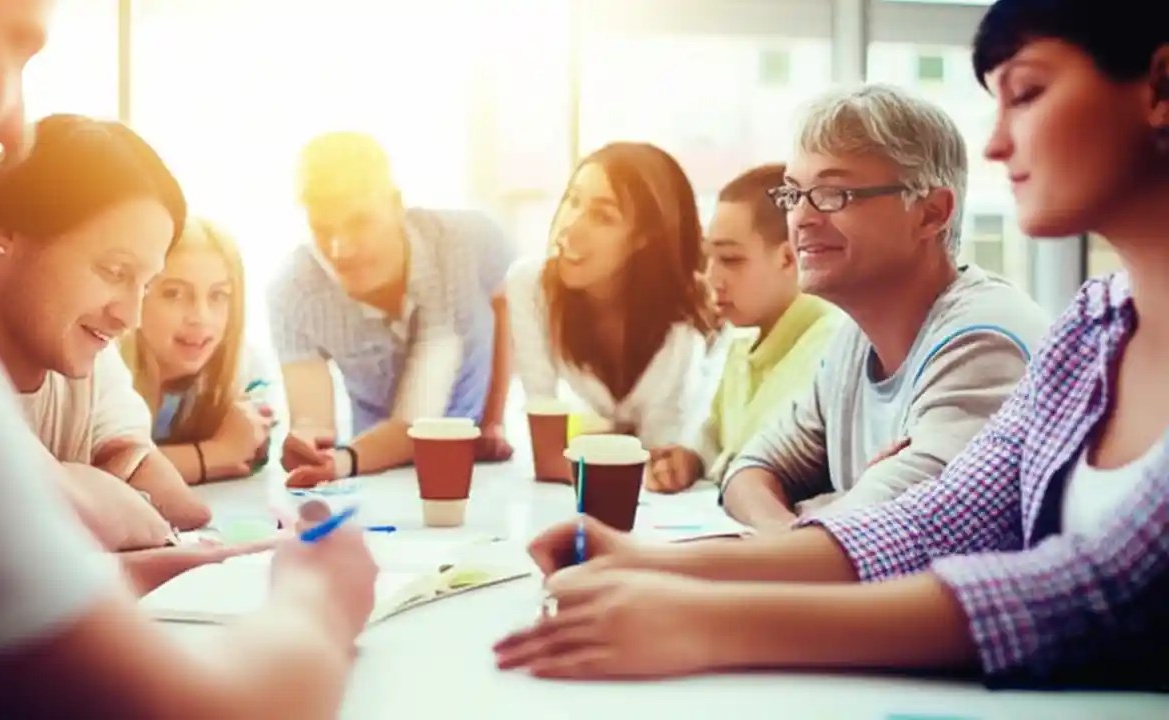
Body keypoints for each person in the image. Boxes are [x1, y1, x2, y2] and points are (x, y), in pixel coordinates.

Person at [494, 0, 1169, 689]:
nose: (995, 144)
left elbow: (1094, 590)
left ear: (1161, 88)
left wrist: (707, 616)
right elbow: (935, 522)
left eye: (1026, 94)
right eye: (795, 196)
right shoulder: (1091, 326)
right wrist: (648, 559)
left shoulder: (988, 331)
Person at [0, 4, 376, 716]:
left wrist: (170, 553)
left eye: (145, 283)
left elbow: (4, 609)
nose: (13, 130)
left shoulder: (65, 357)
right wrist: (317, 596)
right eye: (11, 48)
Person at [717, 84, 1051, 532]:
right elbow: (747, 471)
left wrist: (819, 519)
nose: (801, 218)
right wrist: (803, 527)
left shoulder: (984, 344)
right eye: (794, 194)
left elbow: (880, 539)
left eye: (834, 193)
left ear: (931, 213)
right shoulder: (854, 339)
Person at [0, 113, 212, 547]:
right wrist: (81, 491)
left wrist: (91, 491)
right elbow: (68, 508)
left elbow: (179, 508)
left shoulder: (84, 352)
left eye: (146, 284)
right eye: (114, 271)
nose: (130, 317)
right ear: (7, 229)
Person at [271, 131, 516, 485]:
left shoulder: (469, 241)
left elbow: (507, 310)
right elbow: (314, 420)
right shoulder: (293, 290)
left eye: (360, 222)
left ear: (396, 204)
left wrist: (494, 421)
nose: (340, 250)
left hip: (482, 469)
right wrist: (309, 441)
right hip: (372, 471)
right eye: (322, 229)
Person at [646, 163, 842, 493]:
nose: (712, 279)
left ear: (790, 257)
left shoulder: (834, 346)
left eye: (731, 260)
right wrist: (691, 459)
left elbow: (772, 461)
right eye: (709, 259)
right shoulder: (743, 342)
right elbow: (716, 434)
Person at [506, 142, 712, 448]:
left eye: (603, 217)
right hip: (589, 476)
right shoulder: (531, 286)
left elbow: (666, 440)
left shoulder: (683, 314)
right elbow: (542, 417)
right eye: (573, 201)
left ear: (643, 237)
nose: (571, 228)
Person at [121, 216, 279, 484]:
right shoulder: (102, 369)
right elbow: (92, 475)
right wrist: (215, 454)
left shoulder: (244, 368)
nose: (201, 317)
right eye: (173, 294)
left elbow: (249, 456)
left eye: (218, 296)